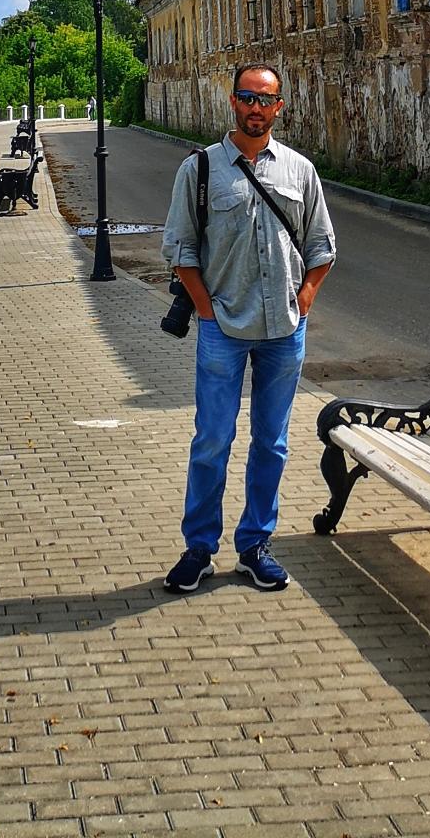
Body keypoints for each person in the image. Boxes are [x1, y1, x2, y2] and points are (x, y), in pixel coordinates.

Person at [160, 61, 335, 593]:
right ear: (233, 102)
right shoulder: (202, 170)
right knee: (213, 438)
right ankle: (199, 548)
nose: (257, 108)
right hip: (223, 329)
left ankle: (255, 544)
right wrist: (205, 310)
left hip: (284, 331)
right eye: (248, 98)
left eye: (267, 100)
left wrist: (304, 300)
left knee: (272, 442)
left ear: (280, 107)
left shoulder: (300, 171)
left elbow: (322, 246)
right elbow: (180, 249)